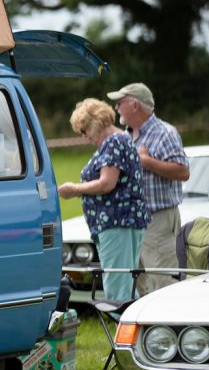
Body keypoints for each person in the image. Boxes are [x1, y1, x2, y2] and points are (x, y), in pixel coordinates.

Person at [58, 98, 150, 302]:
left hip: (116, 223)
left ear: (95, 122)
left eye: (84, 131)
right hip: (125, 223)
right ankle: (132, 323)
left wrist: (75, 189)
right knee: (126, 285)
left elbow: (107, 183)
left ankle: (122, 323)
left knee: (117, 290)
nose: (85, 137)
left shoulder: (113, 142)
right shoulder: (123, 139)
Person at [107, 82, 189, 293]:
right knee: (137, 286)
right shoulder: (124, 137)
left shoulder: (165, 133)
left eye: (120, 103)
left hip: (157, 221)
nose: (116, 108)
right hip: (131, 223)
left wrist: (147, 161)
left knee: (163, 284)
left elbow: (183, 172)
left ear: (135, 105)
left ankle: (170, 317)